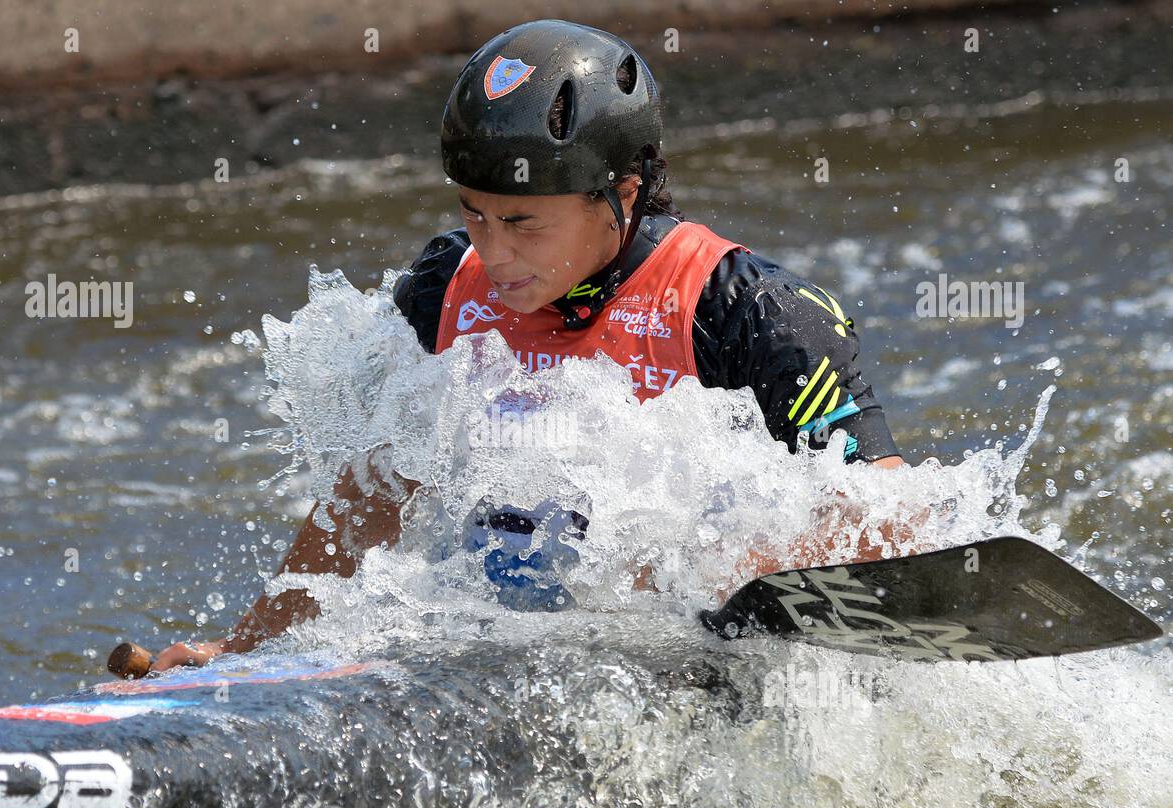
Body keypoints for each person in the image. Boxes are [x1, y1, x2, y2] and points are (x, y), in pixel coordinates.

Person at [149, 19, 907, 672]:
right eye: (476, 215)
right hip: (496, 648)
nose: (493, 254)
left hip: (698, 655)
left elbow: (884, 509)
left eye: (523, 224)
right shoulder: (441, 288)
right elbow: (372, 493)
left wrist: (715, 578)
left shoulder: (754, 314)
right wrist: (246, 649)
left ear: (625, 194)